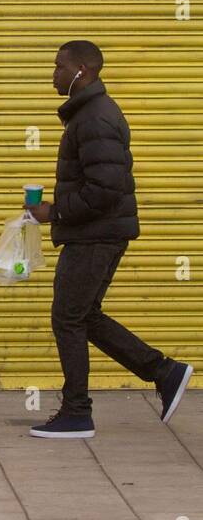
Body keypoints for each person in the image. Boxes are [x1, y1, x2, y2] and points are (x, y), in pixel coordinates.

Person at [26, 40, 192, 439]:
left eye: (59, 67)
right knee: (84, 316)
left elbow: (106, 189)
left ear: (83, 71)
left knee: (67, 317)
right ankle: (164, 372)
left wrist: (57, 211)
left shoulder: (96, 118)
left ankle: (77, 412)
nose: (54, 75)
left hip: (95, 236)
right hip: (97, 233)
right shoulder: (88, 115)